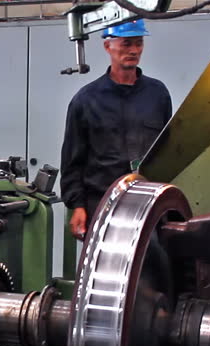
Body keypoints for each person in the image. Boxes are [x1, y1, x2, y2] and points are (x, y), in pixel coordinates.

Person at [59, 19, 172, 240]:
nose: (133, 50)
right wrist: (77, 205)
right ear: (107, 46)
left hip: (148, 202)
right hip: (102, 202)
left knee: (152, 266)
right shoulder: (86, 100)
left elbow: (168, 150)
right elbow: (72, 160)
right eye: (126, 43)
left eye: (138, 43)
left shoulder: (157, 94)